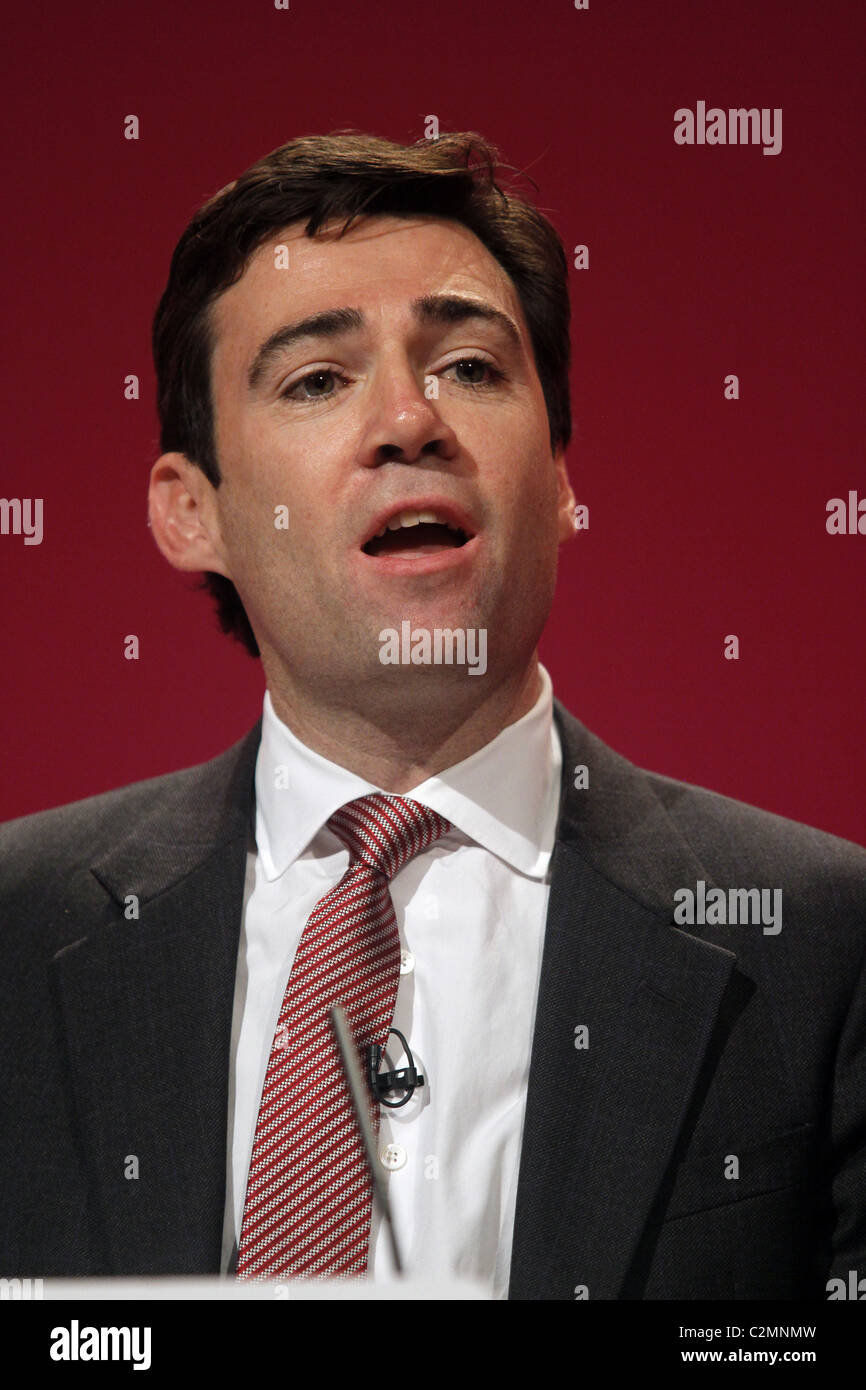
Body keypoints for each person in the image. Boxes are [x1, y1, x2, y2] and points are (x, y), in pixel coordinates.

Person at [1, 132, 864, 1301]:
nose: (410, 419)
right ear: (191, 510)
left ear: (559, 480)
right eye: (316, 380)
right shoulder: (18, 929)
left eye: (467, 365)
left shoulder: (823, 943)